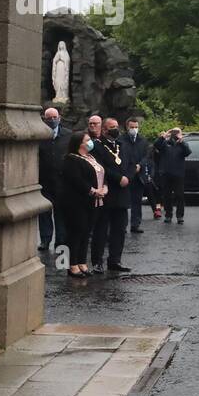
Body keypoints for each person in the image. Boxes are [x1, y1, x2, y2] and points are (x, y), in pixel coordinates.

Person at [58, 129, 105, 277]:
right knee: (75, 233)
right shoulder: (71, 159)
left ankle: (81, 262)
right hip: (76, 202)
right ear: (80, 143)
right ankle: (69, 264)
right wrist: (93, 191)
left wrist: (104, 188)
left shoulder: (91, 157)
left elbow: (102, 174)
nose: (90, 142)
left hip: (93, 202)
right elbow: (77, 180)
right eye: (87, 140)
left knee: (85, 232)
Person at [88, 116, 133, 273]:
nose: (116, 129)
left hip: (122, 194)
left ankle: (115, 260)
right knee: (101, 230)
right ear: (105, 129)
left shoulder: (123, 145)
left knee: (119, 230)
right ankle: (97, 262)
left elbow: (132, 164)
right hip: (106, 193)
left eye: (117, 126)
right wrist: (118, 178)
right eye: (112, 127)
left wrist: (128, 177)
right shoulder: (97, 146)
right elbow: (101, 167)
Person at [37, 107, 70, 252]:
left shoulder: (68, 135)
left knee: (61, 212)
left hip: (62, 182)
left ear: (59, 118)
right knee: (44, 213)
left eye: (54, 117)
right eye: (49, 118)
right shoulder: (39, 135)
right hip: (44, 181)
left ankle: (60, 240)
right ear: (44, 119)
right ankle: (45, 240)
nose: (52, 120)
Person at [154, 127, 191, 224]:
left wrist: (181, 141)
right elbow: (156, 145)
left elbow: (188, 152)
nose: (175, 134)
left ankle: (180, 216)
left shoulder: (183, 144)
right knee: (167, 196)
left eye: (178, 132)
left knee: (179, 196)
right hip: (166, 173)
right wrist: (164, 136)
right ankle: (168, 215)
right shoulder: (165, 143)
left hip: (178, 174)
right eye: (174, 132)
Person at [121, 117, 150, 234]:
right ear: (127, 127)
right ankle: (122, 226)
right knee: (123, 202)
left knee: (137, 201)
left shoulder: (143, 140)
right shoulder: (121, 140)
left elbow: (147, 156)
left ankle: (135, 224)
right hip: (126, 174)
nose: (134, 129)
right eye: (132, 127)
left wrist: (140, 165)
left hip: (139, 175)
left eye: (136, 127)